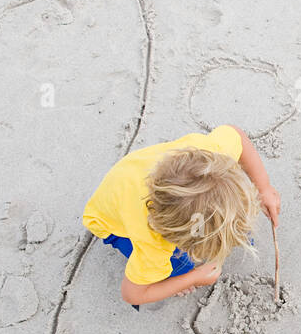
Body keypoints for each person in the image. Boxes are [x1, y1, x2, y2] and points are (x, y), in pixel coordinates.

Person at [82, 124, 280, 310]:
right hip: (110, 222)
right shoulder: (154, 244)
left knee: (225, 229)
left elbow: (236, 134)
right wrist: (192, 278)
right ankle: (180, 270)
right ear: (179, 239)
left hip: (131, 177)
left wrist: (263, 188)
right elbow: (132, 293)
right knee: (178, 268)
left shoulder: (211, 155)